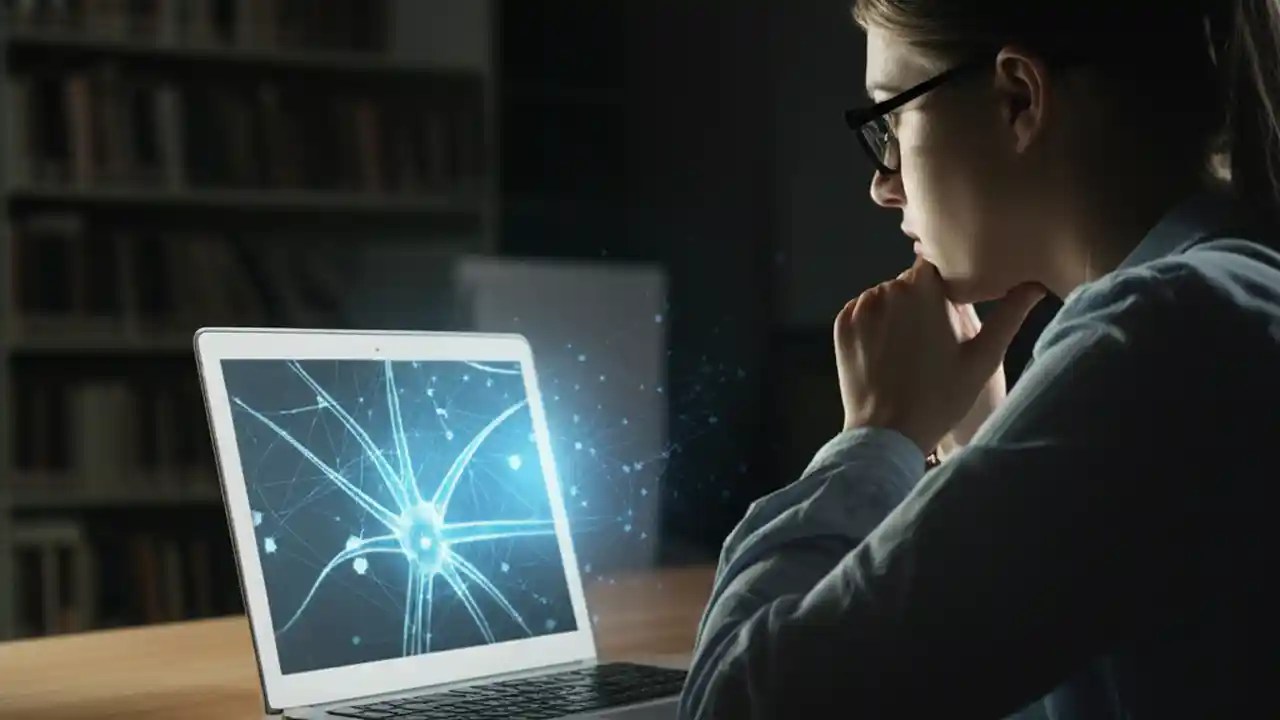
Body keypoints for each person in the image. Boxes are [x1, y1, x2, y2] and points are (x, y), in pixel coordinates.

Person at [679, 1, 1280, 718]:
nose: (884, 182)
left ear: (1018, 98)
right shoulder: (1231, 297)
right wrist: (987, 453)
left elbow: (734, 705)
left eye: (893, 119)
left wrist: (876, 435)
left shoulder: (1164, 338)